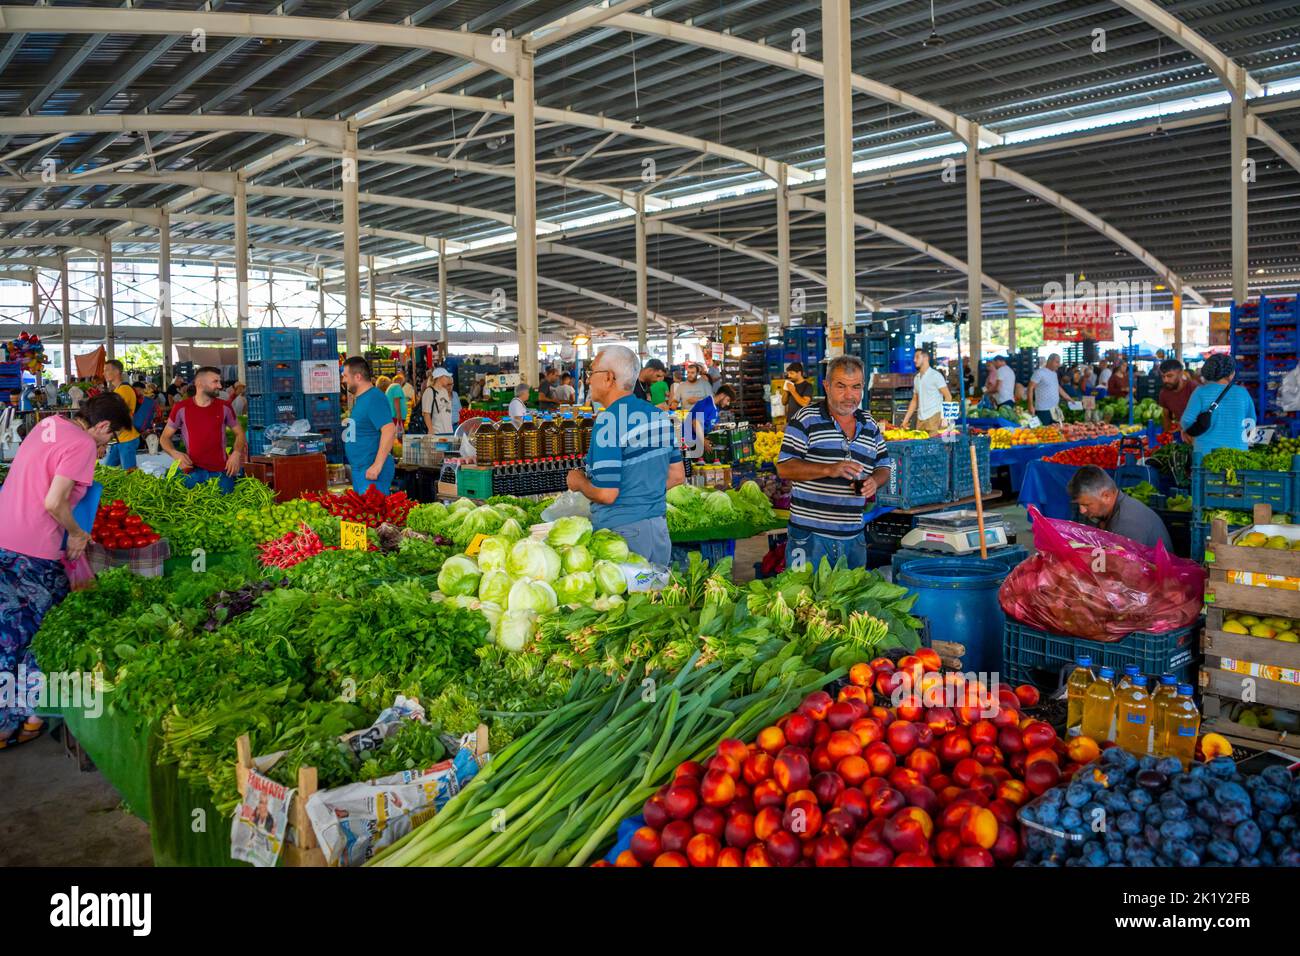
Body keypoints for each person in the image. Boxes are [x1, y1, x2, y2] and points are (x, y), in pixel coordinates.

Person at [0, 393, 132, 747]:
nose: (107, 444)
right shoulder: (83, 444)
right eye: (111, 436)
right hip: (35, 550)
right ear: (102, 425)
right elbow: (53, 501)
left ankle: (2, 723)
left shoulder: (48, 424)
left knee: (8, 633)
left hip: (5, 538)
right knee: (45, 633)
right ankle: (29, 718)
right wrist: (76, 533)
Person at [566, 344, 684, 565]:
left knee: (630, 599)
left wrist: (579, 481)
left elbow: (606, 494)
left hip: (623, 538)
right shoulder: (658, 416)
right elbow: (677, 476)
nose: (589, 380)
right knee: (654, 596)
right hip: (658, 530)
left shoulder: (609, 421)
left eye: (592, 372)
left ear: (609, 378)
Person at [777, 355, 892, 572]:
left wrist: (874, 482)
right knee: (805, 601)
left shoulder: (870, 424)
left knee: (849, 603)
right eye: (841, 386)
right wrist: (829, 469)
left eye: (856, 387)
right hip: (809, 539)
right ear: (827, 386)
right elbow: (784, 467)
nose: (849, 395)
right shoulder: (805, 420)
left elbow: (884, 466)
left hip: (854, 537)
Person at [159, 365, 247, 493]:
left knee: (225, 507)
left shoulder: (225, 407)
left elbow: (239, 433)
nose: (220, 386)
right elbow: (164, 438)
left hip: (221, 472)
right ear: (199, 383)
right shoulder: (181, 408)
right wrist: (175, 453)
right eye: (215, 381)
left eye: (219, 381)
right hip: (192, 472)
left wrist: (236, 453)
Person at [1067, 466, 1172, 550]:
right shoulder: (1104, 512)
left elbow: (1127, 571)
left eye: (1086, 505)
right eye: (1079, 504)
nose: (1082, 511)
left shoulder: (1128, 522)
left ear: (1106, 496)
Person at [1180, 353, 1256, 459]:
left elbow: (1186, 420)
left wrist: (1187, 431)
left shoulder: (1200, 392)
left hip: (1207, 455)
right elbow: (1251, 423)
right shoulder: (1242, 393)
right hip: (1238, 455)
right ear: (1231, 374)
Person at [342, 357, 398, 494]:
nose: (343, 380)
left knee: (374, 514)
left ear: (358, 377)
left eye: (345, 376)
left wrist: (377, 466)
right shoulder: (362, 399)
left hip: (371, 470)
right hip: (361, 470)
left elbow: (389, 429)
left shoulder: (374, 398)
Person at [900, 349, 952, 434]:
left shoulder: (935, 376)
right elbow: (914, 400)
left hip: (934, 417)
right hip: (920, 420)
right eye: (914, 357)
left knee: (935, 446)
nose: (914, 360)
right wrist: (905, 420)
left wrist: (945, 418)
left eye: (917, 357)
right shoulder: (916, 378)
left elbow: (948, 396)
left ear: (925, 358)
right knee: (920, 446)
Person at [101, 359, 140, 470]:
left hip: (127, 439)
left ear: (117, 371)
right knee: (108, 471)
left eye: (107, 370)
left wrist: (105, 441)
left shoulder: (124, 390)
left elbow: (121, 418)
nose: (104, 373)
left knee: (129, 475)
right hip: (119, 439)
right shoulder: (118, 390)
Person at [687, 384, 736, 455]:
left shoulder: (716, 407)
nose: (728, 404)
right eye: (728, 400)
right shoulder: (707, 404)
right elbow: (695, 423)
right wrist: (703, 441)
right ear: (722, 395)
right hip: (688, 443)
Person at [1156, 358, 1195, 433]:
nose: (1165, 380)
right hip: (1183, 433)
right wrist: (1166, 435)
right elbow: (1166, 417)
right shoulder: (1164, 393)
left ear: (1180, 374)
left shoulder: (1194, 388)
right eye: (1163, 376)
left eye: (1169, 376)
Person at [1028, 353, 1063, 426]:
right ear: (1050, 361)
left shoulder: (1054, 374)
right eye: (1057, 362)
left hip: (1055, 409)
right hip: (1043, 410)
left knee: (1055, 432)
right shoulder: (1039, 372)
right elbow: (1030, 388)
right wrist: (1030, 405)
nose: (1058, 365)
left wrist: (1069, 398)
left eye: (1059, 362)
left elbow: (1058, 388)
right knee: (1043, 432)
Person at [422, 367, 455, 435]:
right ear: (440, 377)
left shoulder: (444, 391)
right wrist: (431, 431)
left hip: (448, 431)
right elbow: (426, 414)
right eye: (446, 377)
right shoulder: (429, 391)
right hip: (437, 432)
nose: (448, 379)